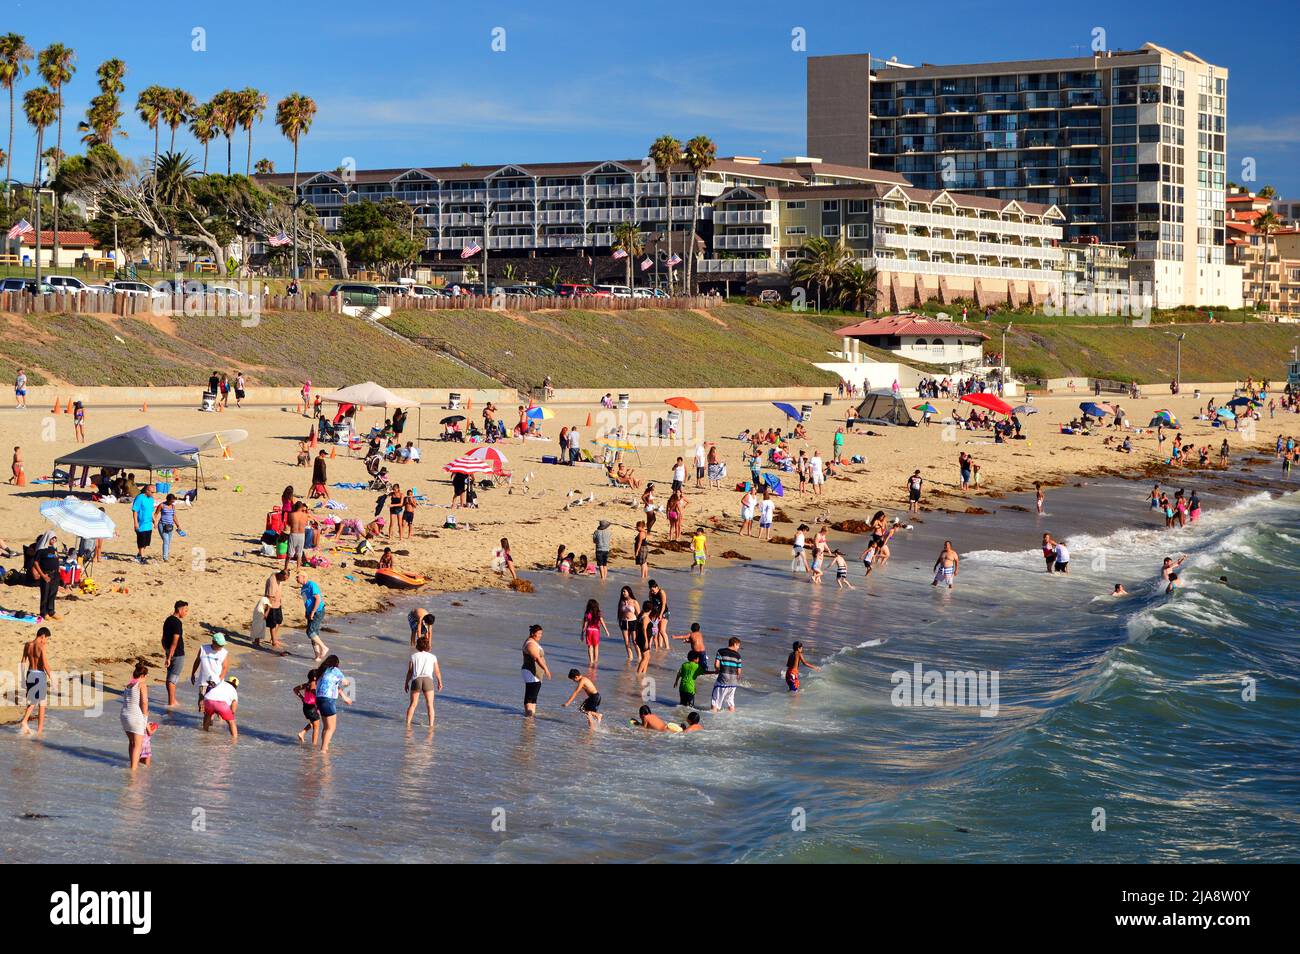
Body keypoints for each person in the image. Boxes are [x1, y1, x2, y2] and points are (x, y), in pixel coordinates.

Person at [404, 634, 443, 727]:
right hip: (428, 680)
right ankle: (431, 725)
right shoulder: (433, 657)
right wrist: (439, 682)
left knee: (413, 704)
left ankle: (408, 724)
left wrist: (406, 683)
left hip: (416, 680)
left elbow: (410, 672)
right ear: (427, 645)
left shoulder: (413, 656)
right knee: (430, 705)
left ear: (418, 645)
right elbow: (437, 671)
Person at [19, 626, 52, 735]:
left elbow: (23, 661)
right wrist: (53, 678)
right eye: (46, 639)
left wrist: (22, 677)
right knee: (40, 702)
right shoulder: (41, 646)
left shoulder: (28, 645)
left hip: (30, 674)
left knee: (35, 700)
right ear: (42, 636)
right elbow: (45, 664)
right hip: (39, 675)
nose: (46, 641)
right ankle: (28, 723)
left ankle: (37, 731)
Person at [315, 655, 351, 752]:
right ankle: (323, 750)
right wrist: (348, 683)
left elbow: (334, 686)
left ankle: (324, 746)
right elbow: (345, 682)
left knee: (326, 726)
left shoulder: (321, 671)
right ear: (336, 663)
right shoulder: (335, 670)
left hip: (319, 699)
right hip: (328, 700)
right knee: (331, 728)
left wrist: (344, 697)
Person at [120, 661, 150, 770]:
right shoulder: (141, 684)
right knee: (138, 745)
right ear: (142, 675)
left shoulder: (129, 684)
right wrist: (145, 720)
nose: (146, 678)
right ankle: (133, 771)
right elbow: (144, 702)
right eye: (146, 676)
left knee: (132, 742)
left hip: (124, 715)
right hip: (135, 716)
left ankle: (132, 765)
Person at [190, 632, 229, 710]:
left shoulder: (224, 653)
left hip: (217, 682)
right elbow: (197, 661)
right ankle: (204, 720)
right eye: (220, 645)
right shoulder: (203, 649)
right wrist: (193, 673)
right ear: (213, 642)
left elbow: (225, 668)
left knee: (216, 703)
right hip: (204, 681)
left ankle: (217, 720)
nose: (221, 647)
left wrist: (219, 680)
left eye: (222, 645)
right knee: (202, 703)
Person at [162, 600, 188, 707]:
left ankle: (172, 700)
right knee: (172, 679)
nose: (186, 613)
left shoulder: (168, 620)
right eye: (185, 610)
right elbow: (175, 640)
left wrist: (167, 651)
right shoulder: (177, 623)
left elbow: (163, 639)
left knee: (169, 678)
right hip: (177, 654)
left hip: (170, 652)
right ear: (180, 609)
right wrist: (170, 656)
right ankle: (171, 702)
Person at [521, 624, 550, 716]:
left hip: (536, 673)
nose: (540, 635)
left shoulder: (534, 641)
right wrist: (546, 669)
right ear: (533, 633)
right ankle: (528, 716)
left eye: (541, 633)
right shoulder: (530, 644)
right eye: (539, 633)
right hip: (530, 671)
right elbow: (536, 658)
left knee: (534, 696)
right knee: (530, 695)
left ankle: (530, 716)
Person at [32, 533, 62, 621]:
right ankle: (43, 613)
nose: (54, 540)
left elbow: (56, 559)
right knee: (45, 594)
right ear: (48, 539)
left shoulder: (54, 549)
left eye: (55, 539)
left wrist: (59, 569)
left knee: (53, 593)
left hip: (55, 575)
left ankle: (51, 611)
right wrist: (43, 575)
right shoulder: (41, 550)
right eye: (52, 538)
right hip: (46, 574)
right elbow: (36, 563)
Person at [298, 571, 328, 660]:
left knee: (310, 632)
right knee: (314, 634)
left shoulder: (311, 585)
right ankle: (317, 656)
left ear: (304, 577)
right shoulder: (303, 588)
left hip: (318, 611)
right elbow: (306, 601)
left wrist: (313, 611)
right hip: (310, 612)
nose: (296, 579)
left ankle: (324, 647)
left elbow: (318, 599)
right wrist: (307, 612)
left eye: (297, 577)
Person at [258, 569, 288, 652]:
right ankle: (274, 642)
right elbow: (270, 597)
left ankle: (273, 638)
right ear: (281, 575)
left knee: (279, 621)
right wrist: (267, 611)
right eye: (284, 579)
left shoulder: (279, 577)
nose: (284, 581)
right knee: (272, 624)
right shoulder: (272, 582)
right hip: (271, 605)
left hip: (277, 604)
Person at [202, 676, 240, 741]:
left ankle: (204, 733)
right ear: (236, 686)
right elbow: (233, 710)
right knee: (231, 722)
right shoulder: (234, 691)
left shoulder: (221, 683)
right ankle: (234, 739)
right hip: (222, 705)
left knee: (207, 716)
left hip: (208, 700)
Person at [710, 638, 743, 712]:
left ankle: (712, 720)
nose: (738, 648)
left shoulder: (720, 651)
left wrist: (717, 670)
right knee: (731, 703)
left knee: (715, 702)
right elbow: (739, 671)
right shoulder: (738, 656)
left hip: (723, 681)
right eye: (738, 646)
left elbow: (716, 665)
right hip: (733, 683)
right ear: (734, 644)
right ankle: (731, 721)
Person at [579, 599, 610, 667]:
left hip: (589, 630)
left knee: (590, 646)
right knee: (596, 646)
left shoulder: (587, 613)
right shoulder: (598, 613)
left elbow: (585, 625)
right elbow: (602, 622)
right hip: (596, 631)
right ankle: (595, 661)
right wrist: (606, 631)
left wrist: (582, 634)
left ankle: (591, 661)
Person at [131, 482, 156, 564]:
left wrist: (154, 521)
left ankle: (139, 554)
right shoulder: (139, 498)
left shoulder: (151, 499)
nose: (153, 494)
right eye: (152, 492)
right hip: (141, 524)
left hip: (148, 524)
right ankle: (142, 557)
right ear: (147, 490)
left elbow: (152, 511)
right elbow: (135, 511)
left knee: (146, 542)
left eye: (153, 492)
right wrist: (135, 523)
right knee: (141, 541)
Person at [295, 668, 321, 745]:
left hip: (306, 707)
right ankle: (314, 746)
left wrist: (302, 698)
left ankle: (302, 733)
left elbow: (295, 689)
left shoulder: (306, 685)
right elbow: (317, 697)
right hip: (312, 708)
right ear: (315, 678)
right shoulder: (315, 687)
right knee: (316, 728)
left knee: (313, 722)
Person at [155, 493, 182, 562]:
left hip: (170, 526)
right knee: (166, 541)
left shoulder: (173, 506)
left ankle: (166, 554)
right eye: (172, 501)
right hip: (162, 525)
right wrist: (154, 523)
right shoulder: (161, 505)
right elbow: (156, 514)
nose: (172, 502)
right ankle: (165, 558)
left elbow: (174, 516)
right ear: (168, 500)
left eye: (173, 501)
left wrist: (178, 525)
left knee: (168, 541)